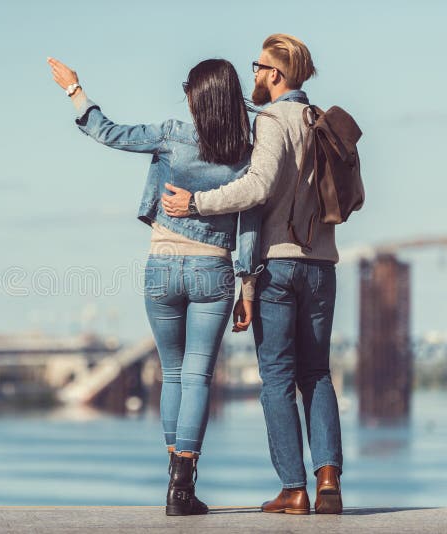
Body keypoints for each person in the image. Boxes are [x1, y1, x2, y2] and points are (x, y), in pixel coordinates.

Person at [47, 56, 263, 516]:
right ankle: (183, 487)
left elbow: (108, 132)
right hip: (214, 269)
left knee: (172, 372)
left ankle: (172, 477)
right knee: (198, 375)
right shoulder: (247, 152)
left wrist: (74, 91)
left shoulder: (171, 134)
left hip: (161, 265)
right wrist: (247, 285)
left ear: (197, 96)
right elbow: (250, 220)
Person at [162, 33, 345, 515]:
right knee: (318, 374)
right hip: (323, 266)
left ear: (277, 74)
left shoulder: (272, 120)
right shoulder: (319, 121)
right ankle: (329, 479)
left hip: (279, 266)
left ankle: (294, 488)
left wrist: (195, 202)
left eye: (260, 68)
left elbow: (257, 187)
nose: (255, 76)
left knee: (278, 379)